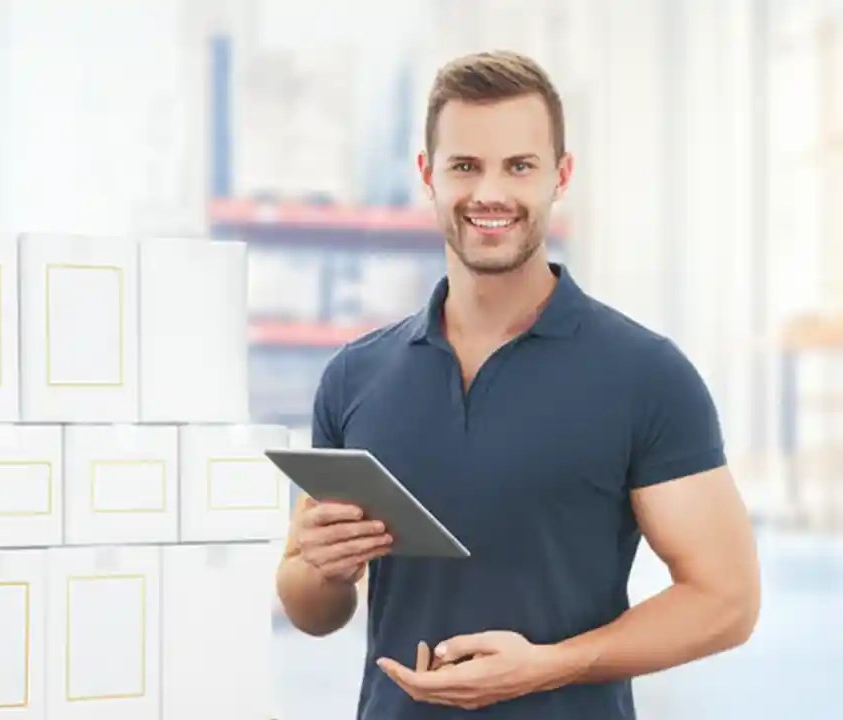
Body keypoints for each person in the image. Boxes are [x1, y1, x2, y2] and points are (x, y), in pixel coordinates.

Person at [274, 49, 761, 718]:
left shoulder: (645, 375)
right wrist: (323, 569)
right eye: (465, 166)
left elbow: (727, 600)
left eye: (519, 166)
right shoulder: (355, 376)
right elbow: (311, 608)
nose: (490, 193)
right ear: (428, 175)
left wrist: (551, 667)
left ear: (561, 175)